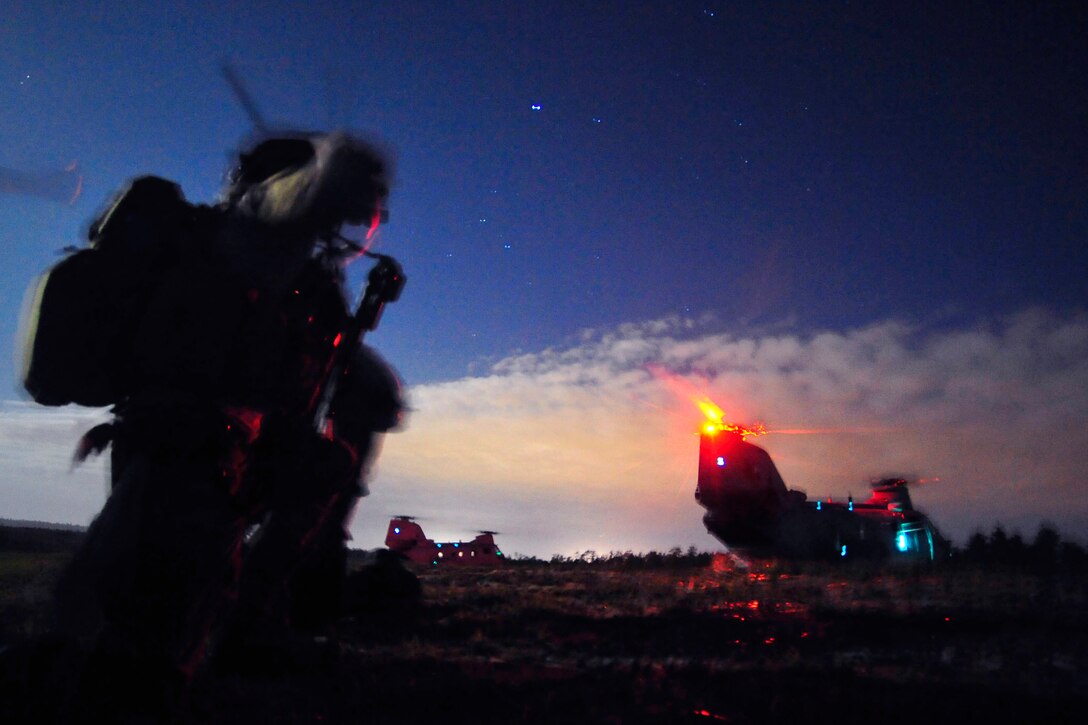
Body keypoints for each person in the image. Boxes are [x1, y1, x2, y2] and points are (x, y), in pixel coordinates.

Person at [44, 130, 402, 713]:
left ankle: (243, 631)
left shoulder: (294, 277)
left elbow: (352, 384)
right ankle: (85, 671)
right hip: (182, 436)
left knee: (317, 473)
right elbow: (286, 199)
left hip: (243, 442)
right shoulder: (239, 232)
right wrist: (330, 172)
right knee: (140, 601)